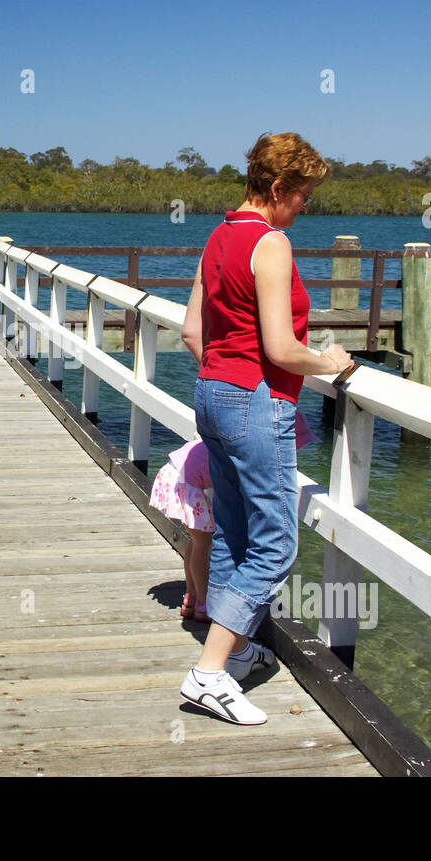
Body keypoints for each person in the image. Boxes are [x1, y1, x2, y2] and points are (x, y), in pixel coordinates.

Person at [177, 132, 353, 726]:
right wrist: (327, 361)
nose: (306, 206)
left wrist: (224, 377)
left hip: (211, 393)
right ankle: (208, 671)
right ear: (277, 189)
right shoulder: (269, 244)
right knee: (276, 542)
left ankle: (238, 652)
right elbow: (281, 348)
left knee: (230, 529)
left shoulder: (219, 236)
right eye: (303, 195)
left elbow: (191, 333)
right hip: (257, 400)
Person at [150, 427, 318, 625]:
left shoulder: (231, 441)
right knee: (202, 544)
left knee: (197, 542)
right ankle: (202, 604)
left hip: (176, 474)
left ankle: (192, 597)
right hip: (184, 480)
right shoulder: (242, 452)